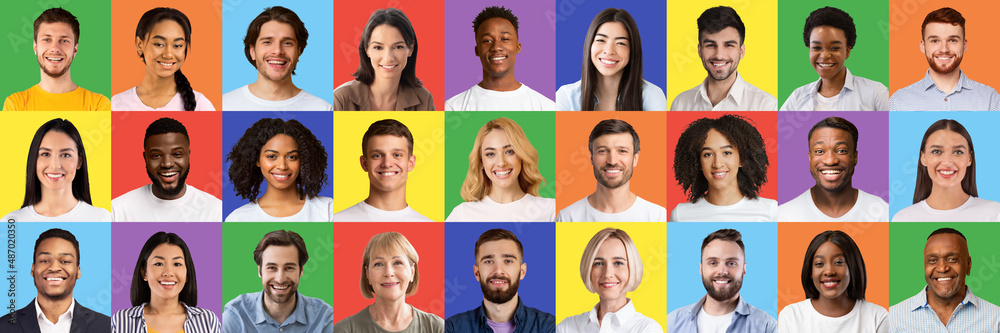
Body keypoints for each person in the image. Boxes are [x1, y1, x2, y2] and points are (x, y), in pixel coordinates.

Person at [888, 228, 1000, 332]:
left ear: (968, 265)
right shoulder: (893, 317)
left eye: (952, 259)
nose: (942, 268)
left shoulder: (995, 318)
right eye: (932, 260)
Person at [111, 117, 223, 222]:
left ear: (188, 155)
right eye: (156, 155)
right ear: (145, 158)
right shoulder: (118, 211)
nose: (167, 164)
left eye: (177, 154)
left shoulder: (215, 210)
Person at [445, 6, 555, 111]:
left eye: (505, 39)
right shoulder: (453, 108)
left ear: (518, 47)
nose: (496, 47)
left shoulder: (545, 107)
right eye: (487, 40)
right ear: (477, 50)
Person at [0, 228, 111, 333]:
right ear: (33, 269)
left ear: (78, 271)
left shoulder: (107, 326)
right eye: (44, 261)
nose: (54, 267)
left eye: (65, 261)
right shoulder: (3, 326)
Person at [779, 117, 889, 222]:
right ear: (809, 157)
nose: (830, 161)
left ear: (855, 157)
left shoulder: (881, 212)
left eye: (841, 151)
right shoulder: (785, 215)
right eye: (819, 151)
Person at [555, 8, 666, 111]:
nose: (609, 51)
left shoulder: (651, 95)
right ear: (589, 45)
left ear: (632, 50)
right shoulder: (567, 97)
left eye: (621, 43)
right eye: (601, 40)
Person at [889, 7, 1000, 111]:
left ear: (964, 45)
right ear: (923, 46)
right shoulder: (899, 102)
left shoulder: (990, 100)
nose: (944, 49)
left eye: (952, 40)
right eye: (935, 41)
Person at [222, 6, 331, 111]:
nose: (278, 51)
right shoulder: (223, 105)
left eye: (287, 43)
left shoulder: (323, 109)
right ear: (253, 51)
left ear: (299, 51)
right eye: (267, 42)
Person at [445, 229, 556, 332]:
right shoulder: (453, 327)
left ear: (522, 271)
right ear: (477, 273)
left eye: (508, 261)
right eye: (488, 261)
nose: (498, 271)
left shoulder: (548, 326)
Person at [555, 119, 666, 222]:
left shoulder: (657, 216)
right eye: (602, 151)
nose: (612, 161)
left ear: (635, 159)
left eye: (622, 151)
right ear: (592, 158)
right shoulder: (567, 217)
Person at [777, 230, 887, 333]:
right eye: (819, 264)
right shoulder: (790, 316)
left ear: (853, 267)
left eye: (839, 262)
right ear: (810, 272)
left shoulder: (878, 317)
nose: (829, 271)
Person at [223, 230, 333, 333]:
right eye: (272, 268)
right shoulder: (236, 315)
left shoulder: (323, 317)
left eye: (289, 268)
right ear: (260, 271)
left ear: (301, 270)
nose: (280, 279)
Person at [779, 7, 888, 111]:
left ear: (847, 51)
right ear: (809, 50)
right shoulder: (798, 97)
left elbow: (897, 129)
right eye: (816, 47)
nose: (825, 55)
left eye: (835, 48)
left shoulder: (875, 93)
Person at [667, 229, 777, 332]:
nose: (722, 271)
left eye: (731, 263)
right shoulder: (672, 322)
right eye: (713, 263)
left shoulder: (767, 326)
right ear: (701, 269)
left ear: (743, 269)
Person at [671, 114, 776, 222]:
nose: (717, 164)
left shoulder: (770, 211)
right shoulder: (680, 215)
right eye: (708, 154)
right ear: (698, 162)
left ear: (742, 159)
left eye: (726, 152)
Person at [446, 118, 554, 222]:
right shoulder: (463, 214)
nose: (501, 163)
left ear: (521, 156)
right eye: (490, 154)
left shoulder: (551, 210)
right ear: (481, 162)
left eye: (509, 151)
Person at [670, 6, 777, 111]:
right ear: (699, 50)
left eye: (729, 45)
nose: (719, 55)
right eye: (711, 45)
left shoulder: (765, 106)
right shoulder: (681, 104)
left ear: (742, 51)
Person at [3, 119, 111, 222]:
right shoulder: (10, 223)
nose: (55, 165)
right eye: (45, 154)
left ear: (79, 161)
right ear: (34, 160)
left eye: (65, 155)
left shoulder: (102, 219)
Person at [334, 232, 444, 332]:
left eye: (397, 262)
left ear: (412, 272)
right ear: (367, 274)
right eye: (378, 264)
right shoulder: (344, 330)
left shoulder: (436, 327)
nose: (388, 272)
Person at [225, 118, 332, 222]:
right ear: (257, 160)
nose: (282, 166)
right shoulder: (238, 219)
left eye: (292, 157)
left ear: (303, 160)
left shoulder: (328, 210)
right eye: (271, 156)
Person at [892, 119, 1000, 222]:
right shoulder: (903, 219)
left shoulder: (995, 214)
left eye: (958, 152)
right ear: (923, 158)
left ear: (969, 158)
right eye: (936, 151)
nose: (947, 162)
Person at [3, 8, 110, 111]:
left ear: (75, 49)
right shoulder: (15, 104)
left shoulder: (98, 105)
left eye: (64, 40)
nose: (55, 48)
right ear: (35, 47)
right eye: (47, 39)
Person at [557, 228, 662, 333]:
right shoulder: (566, 327)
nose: (607, 274)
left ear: (632, 268)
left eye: (618, 263)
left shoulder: (647, 328)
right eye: (598, 263)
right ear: (588, 269)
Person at [112, 232, 220, 333]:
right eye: (158, 264)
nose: (168, 272)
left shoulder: (207, 320)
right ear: (144, 273)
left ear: (187, 274)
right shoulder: (121, 320)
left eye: (177, 264)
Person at [111, 7, 214, 111]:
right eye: (159, 44)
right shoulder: (116, 104)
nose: (168, 54)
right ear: (139, 44)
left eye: (177, 45)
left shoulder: (201, 106)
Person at [334, 8, 433, 111]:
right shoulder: (341, 98)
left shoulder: (424, 100)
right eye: (378, 47)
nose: (388, 58)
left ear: (411, 49)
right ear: (367, 49)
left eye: (398, 47)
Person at [333, 119, 432, 222]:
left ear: (410, 163)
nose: (387, 163)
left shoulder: (429, 225)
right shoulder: (337, 220)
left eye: (397, 155)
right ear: (364, 164)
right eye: (377, 155)